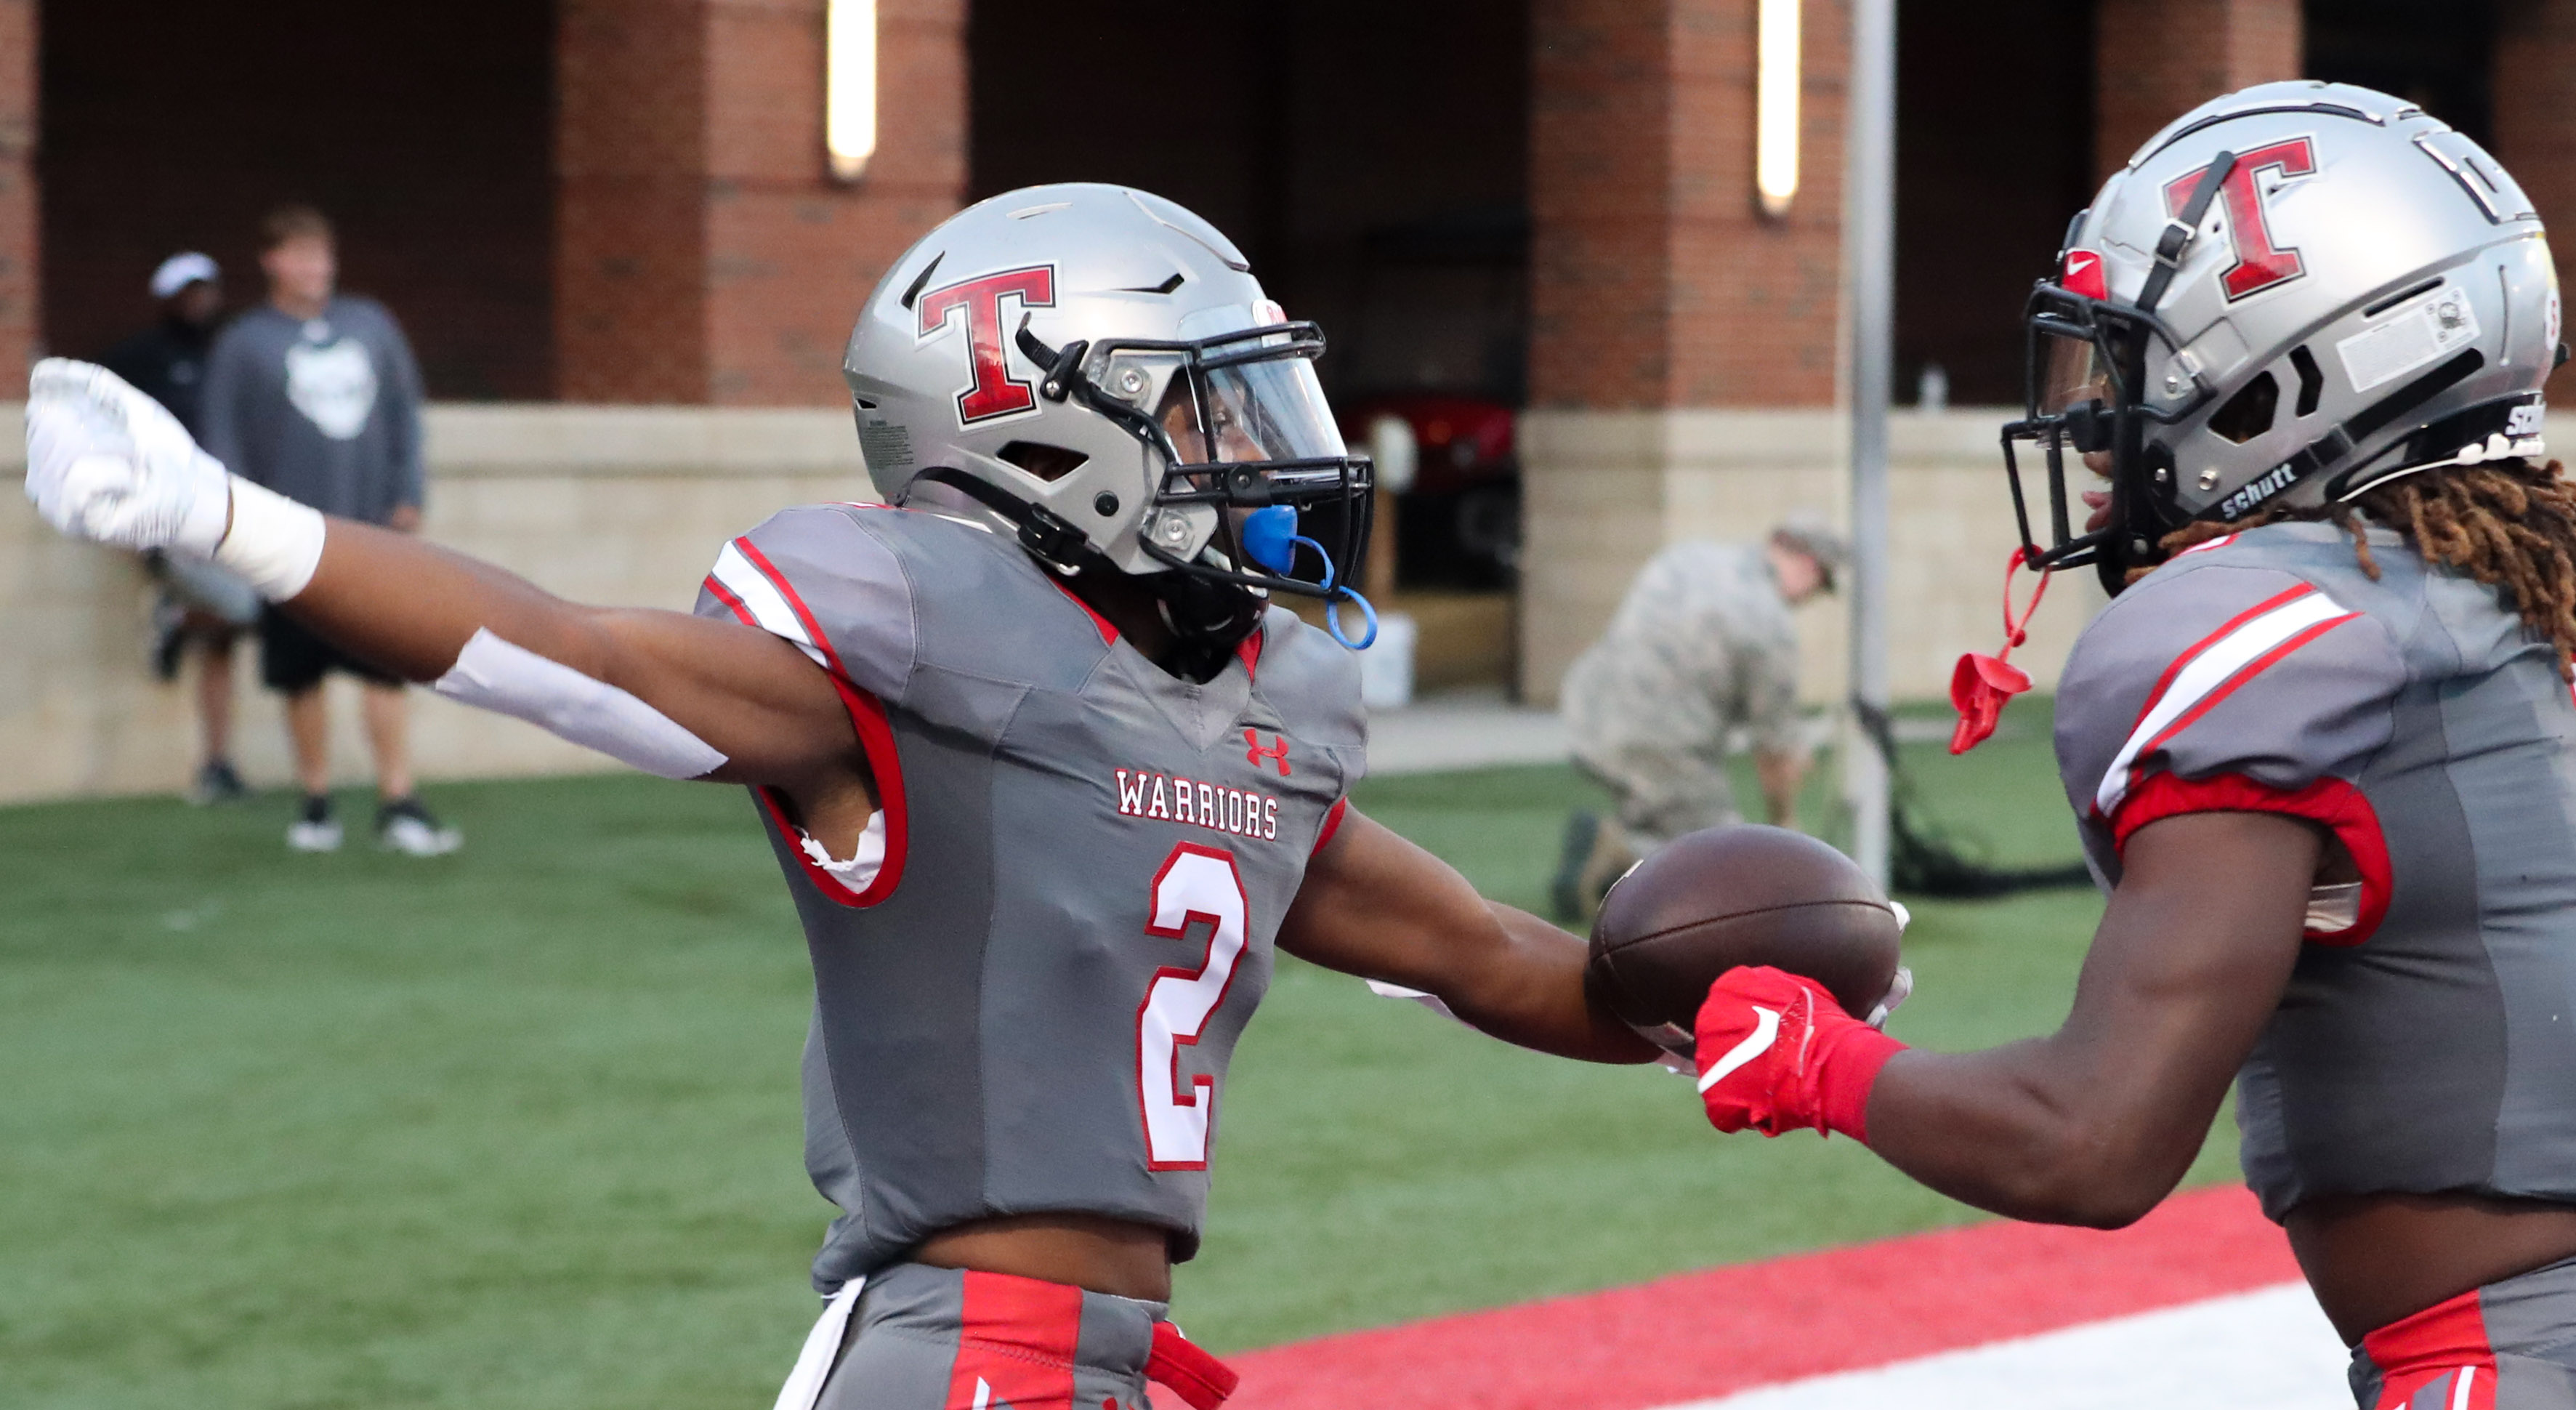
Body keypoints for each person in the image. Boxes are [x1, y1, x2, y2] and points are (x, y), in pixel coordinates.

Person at [25, 184, 1668, 1410]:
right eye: (1199, 406)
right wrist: (221, 512)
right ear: (1037, 427)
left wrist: (1758, 1017)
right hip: (959, 1353)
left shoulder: (1217, 725)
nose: (1254, 452)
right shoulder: (902, 662)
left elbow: (1491, 957)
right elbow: (566, 651)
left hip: (1102, 1362)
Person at [1688, 81, 2576, 1409]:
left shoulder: (2269, 630)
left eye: (2136, 371)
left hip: (2540, 1364)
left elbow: (2088, 1143)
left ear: (2297, 372)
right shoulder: (2492, 601)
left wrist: (1817, 1060)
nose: (2095, 430)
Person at [198, 205, 453, 854]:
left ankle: (399, 799)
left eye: (322, 256)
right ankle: (316, 801)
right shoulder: (245, 342)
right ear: (272, 261)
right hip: (288, 538)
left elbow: (404, 413)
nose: (314, 269)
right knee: (301, 673)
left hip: (371, 530)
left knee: (385, 667)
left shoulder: (370, 325)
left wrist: (408, 493)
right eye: (300, 256)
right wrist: (238, 523)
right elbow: (223, 441)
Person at [1548, 515, 1846, 921]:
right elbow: (1776, 757)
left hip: (1587, 713)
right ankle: (1621, 852)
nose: (1807, 600)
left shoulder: (1689, 557)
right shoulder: (1770, 627)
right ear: (1810, 566)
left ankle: (1634, 849)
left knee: (1668, 808)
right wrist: (1786, 826)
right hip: (1662, 744)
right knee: (1723, 861)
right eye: (1818, 587)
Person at [101, 251, 252, 803]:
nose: (200, 302)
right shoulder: (141, 358)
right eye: (189, 293)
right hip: (169, 516)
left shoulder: (225, 354)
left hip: (225, 510)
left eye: (207, 290)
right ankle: (175, 610)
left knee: (224, 637)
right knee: (242, 609)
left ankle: (217, 762)